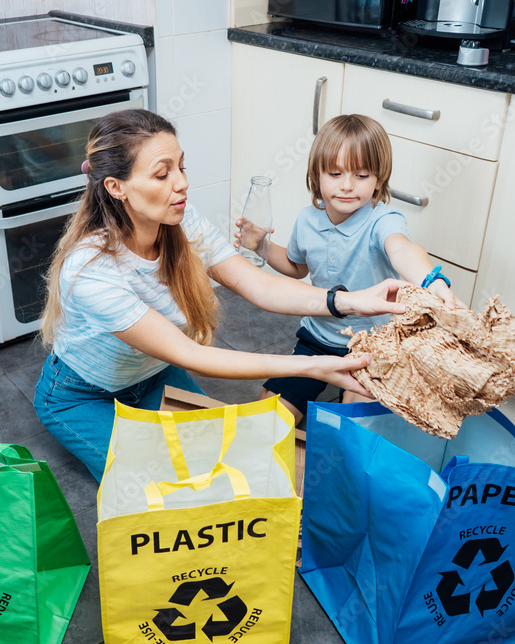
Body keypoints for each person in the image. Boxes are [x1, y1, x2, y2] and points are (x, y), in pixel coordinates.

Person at [33, 109, 408, 481]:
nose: (181, 183)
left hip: (153, 375)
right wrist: (313, 366)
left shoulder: (182, 220)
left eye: (182, 167)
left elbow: (257, 285)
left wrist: (348, 301)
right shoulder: (91, 270)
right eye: (163, 174)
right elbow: (192, 355)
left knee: (229, 467)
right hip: (81, 395)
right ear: (117, 187)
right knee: (155, 489)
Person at [235, 114, 463, 425]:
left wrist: (432, 281)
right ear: (317, 175)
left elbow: (402, 249)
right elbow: (296, 267)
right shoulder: (307, 220)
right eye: (335, 173)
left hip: (372, 343)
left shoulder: (383, 221)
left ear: (378, 180)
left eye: (361, 175)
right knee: (266, 418)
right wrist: (260, 246)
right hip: (316, 339)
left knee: (352, 425)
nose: (346, 185)